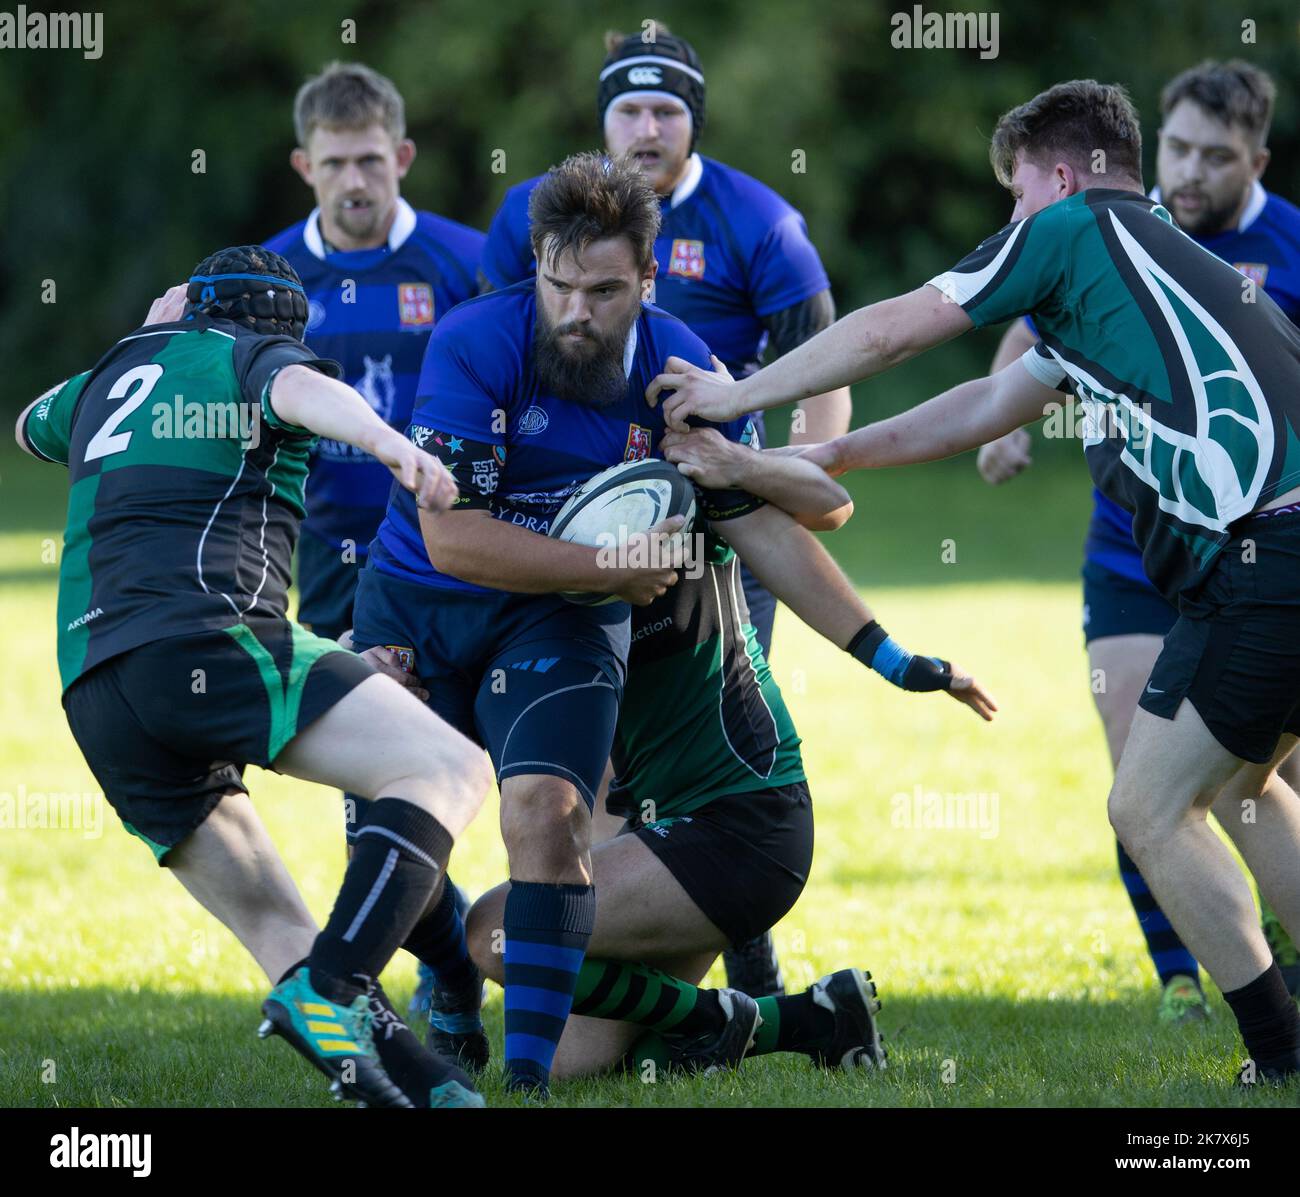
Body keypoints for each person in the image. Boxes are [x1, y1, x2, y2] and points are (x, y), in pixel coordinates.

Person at [648, 80, 1300, 1084]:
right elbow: (990, 400)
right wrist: (834, 459)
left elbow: (896, 329)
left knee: (1150, 810)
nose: (1010, 219)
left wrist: (738, 397)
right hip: (1279, 552)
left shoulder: (1075, 226)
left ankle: (1278, 1055)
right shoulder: (1142, 265)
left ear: (1062, 175)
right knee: (1250, 793)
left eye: (1016, 194)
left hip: (1266, 559)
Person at [13, 247, 493, 1107]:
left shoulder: (109, 376)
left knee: (278, 925)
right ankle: (336, 983)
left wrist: (150, 343)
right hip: (201, 641)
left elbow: (25, 425)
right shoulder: (247, 354)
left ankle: (424, 1091)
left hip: (96, 691)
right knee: (451, 769)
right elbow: (293, 391)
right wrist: (385, 441)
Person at [345, 151, 775, 1098]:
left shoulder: (682, 369)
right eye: (558, 283)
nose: (576, 310)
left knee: (546, 814)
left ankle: (527, 1085)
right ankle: (454, 978)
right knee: (395, 832)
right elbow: (452, 537)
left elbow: (775, 507)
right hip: (419, 607)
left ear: (649, 281)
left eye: (605, 290)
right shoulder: (472, 340)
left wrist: (878, 641)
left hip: (557, 622)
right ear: (534, 261)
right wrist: (616, 568)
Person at [479, 19, 853, 998]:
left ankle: (751, 966)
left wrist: (784, 475)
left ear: (694, 122)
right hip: (570, 515)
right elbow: (501, 348)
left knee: (708, 731)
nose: (647, 127)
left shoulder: (758, 219)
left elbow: (823, 365)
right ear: (602, 119)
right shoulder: (536, 211)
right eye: (629, 108)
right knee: (586, 738)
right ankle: (642, 958)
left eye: (667, 110)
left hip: (712, 521)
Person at [457, 420, 994, 1080]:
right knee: (575, 1060)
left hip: (746, 823)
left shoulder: (680, 464)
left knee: (495, 932)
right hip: (662, 831)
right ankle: (812, 1019)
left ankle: (719, 1021)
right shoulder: (527, 535)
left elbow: (828, 500)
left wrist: (738, 460)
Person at [976, 61, 1300, 1016]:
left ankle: (1270, 979)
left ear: (1259, 160)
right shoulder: (1110, 226)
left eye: (1217, 156)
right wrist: (1008, 420)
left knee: (1249, 783)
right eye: (1180, 148)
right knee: (1144, 766)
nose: (1192, 172)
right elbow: (1024, 322)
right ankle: (1180, 980)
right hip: (1132, 547)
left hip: (1258, 549)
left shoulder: (1287, 245)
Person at [265, 61, 485, 644]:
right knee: (343, 717)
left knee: (444, 716)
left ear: (403, 158)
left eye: (370, 160)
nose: (355, 182)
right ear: (305, 166)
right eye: (335, 164)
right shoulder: (269, 278)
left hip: (446, 536)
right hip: (327, 546)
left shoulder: (469, 263)